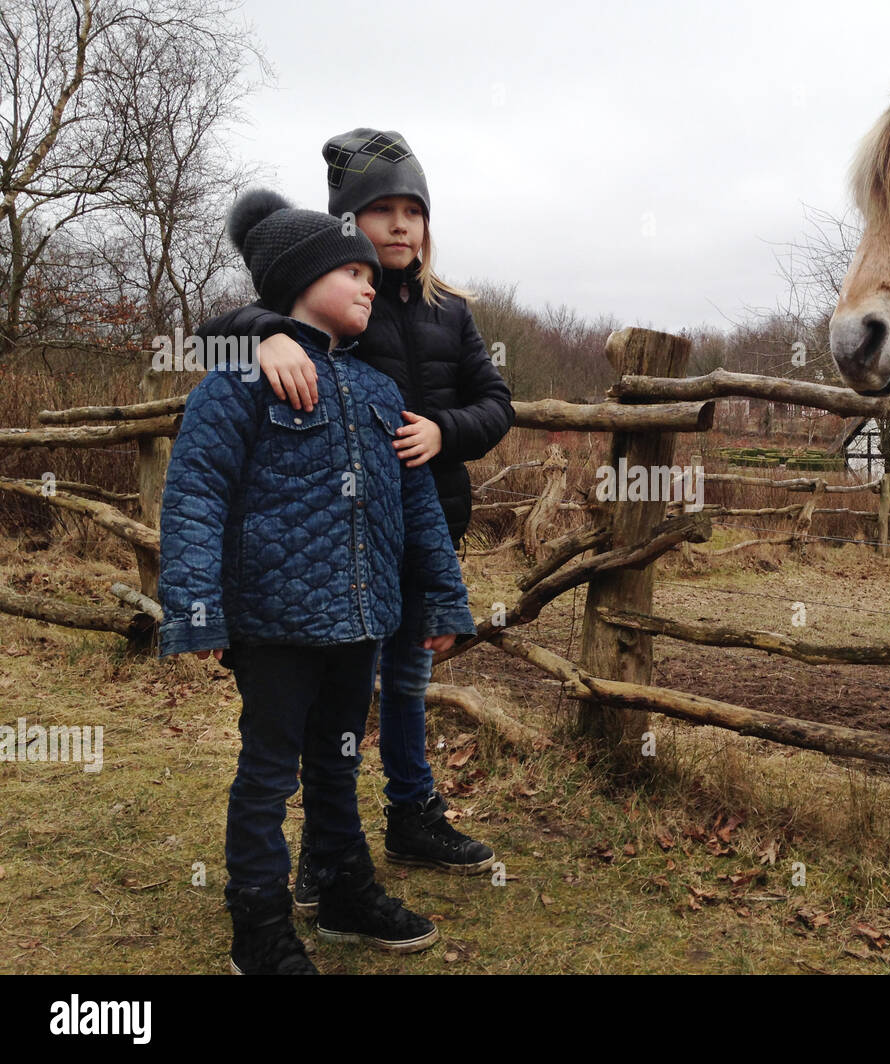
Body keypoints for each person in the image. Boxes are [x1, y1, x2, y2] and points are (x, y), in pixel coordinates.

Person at [159, 189, 479, 974]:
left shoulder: (378, 395)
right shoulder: (237, 383)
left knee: (338, 762)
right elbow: (193, 495)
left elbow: (418, 509)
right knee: (268, 776)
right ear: (301, 279)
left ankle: (339, 887)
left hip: (361, 621)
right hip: (272, 626)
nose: (372, 285)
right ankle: (260, 930)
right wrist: (196, 610)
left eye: (375, 276)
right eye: (353, 272)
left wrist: (442, 596)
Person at [196, 130, 513, 913]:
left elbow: (496, 403)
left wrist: (446, 430)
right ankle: (323, 859)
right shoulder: (332, 302)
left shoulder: (452, 312)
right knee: (339, 700)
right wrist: (265, 334)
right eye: (382, 212)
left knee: (406, 683)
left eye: (414, 212)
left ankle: (412, 814)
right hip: (337, 541)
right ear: (344, 228)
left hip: (425, 514)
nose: (401, 226)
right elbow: (216, 334)